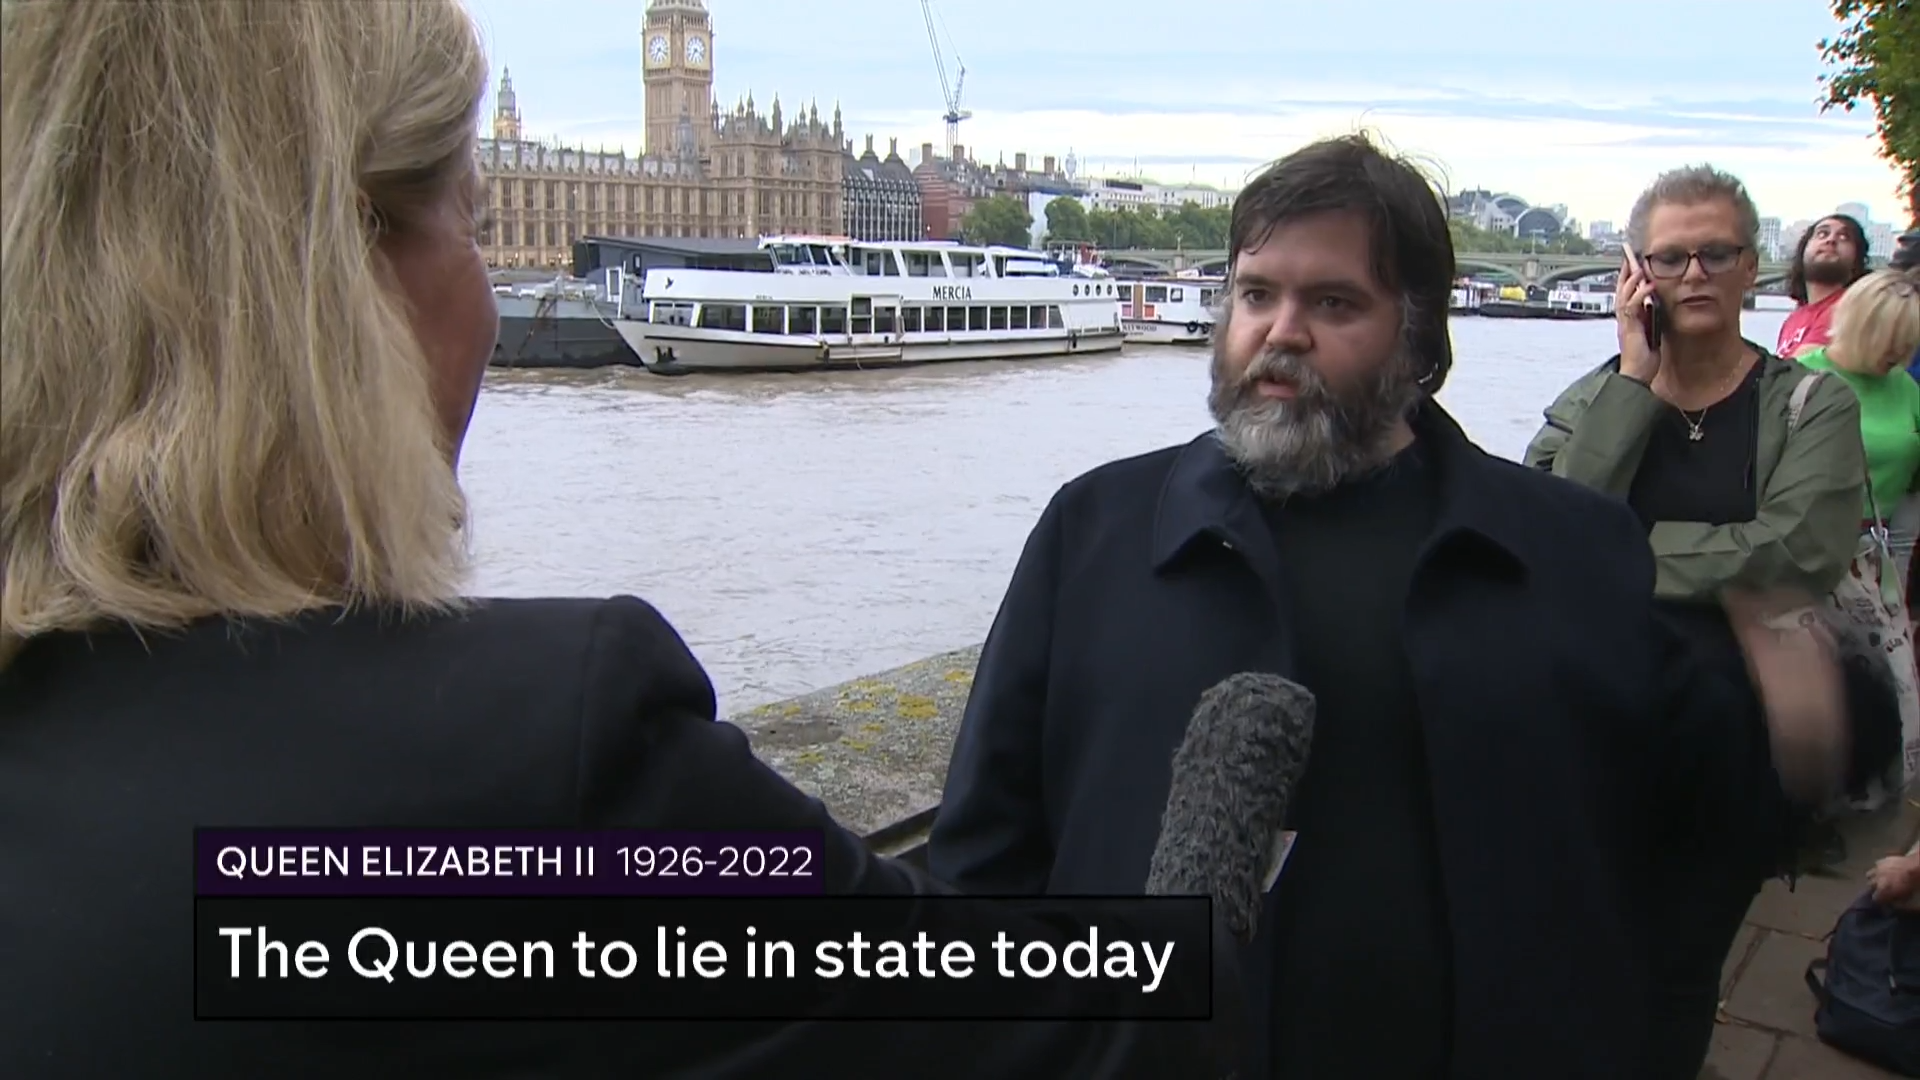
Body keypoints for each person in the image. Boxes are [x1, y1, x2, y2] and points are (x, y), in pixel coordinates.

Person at [0, 3, 1240, 1078]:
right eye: (470, 225)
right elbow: (1050, 1038)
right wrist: (1214, 849)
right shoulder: (540, 758)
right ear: (345, 278)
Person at [926, 135, 1852, 1080]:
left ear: (1417, 337)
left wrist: (1801, 731)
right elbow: (984, 857)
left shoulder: (1571, 548)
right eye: (1255, 294)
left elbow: (1669, 846)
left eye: (1333, 302)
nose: (1280, 331)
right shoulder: (1097, 530)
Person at [1523, 166, 1885, 1080]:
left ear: (1751, 266)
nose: (1693, 274)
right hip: (1590, 733)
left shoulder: (1811, 402)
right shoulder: (1594, 397)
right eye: (1669, 257)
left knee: (1683, 961)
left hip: (1738, 740)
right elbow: (1549, 526)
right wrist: (1636, 384)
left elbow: (1795, 549)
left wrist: (1620, 555)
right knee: (1573, 949)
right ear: (1633, 274)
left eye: (1715, 253)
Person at [1794, 270, 1920, 592]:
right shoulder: (1799, 377)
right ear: (1859, 326)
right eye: (1891, 340)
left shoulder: (1905, 387)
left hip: (1883, 557)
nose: (1898, 353)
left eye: (1908, 341)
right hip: (1807, 559)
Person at [1779, 214, 1870, 358]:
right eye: (1822, 234)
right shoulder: (1792, 320)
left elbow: (1798, 373)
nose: (1831, 240)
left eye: (1844, 237)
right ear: (1803, 250)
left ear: (1856, 262)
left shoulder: (1851, 311)